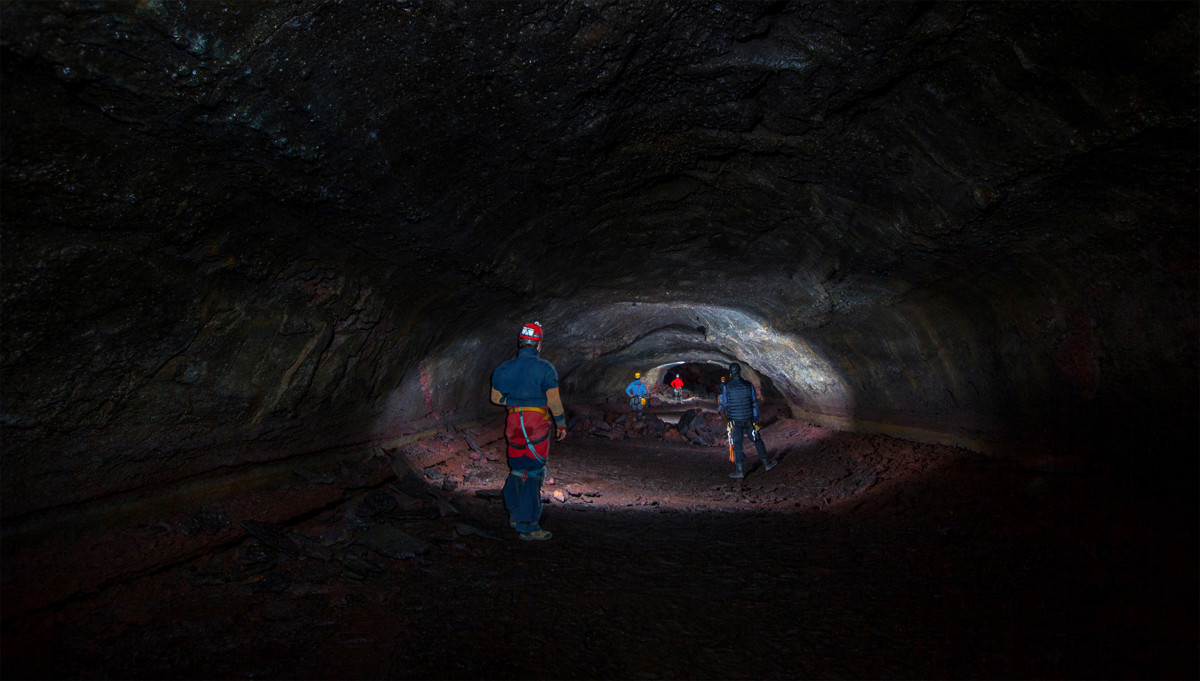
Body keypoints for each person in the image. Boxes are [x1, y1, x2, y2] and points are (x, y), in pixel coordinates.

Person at [490, 321, 567, 541]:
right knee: (533, 472)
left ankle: (514, 514)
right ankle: (528, 526)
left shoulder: (504, 368)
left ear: (520, 343)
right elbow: (554, 401)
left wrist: (515, 401)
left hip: (514, 421)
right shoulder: (545, 368)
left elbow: (495, 398)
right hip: (536, 423)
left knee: (517, 468)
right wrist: (561, 424)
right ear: (538, 344)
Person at [718, 362, 776, 479]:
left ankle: (740, 470)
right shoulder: (748, 385)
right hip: (748, 418)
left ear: (731, 374)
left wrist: (726, 417)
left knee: (738, 443)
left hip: (735, 419)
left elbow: (725, 404)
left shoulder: (727, 387)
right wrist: (755, 418)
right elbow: (754, 402)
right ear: (739, 372)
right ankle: (766, 463)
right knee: (757, 439)